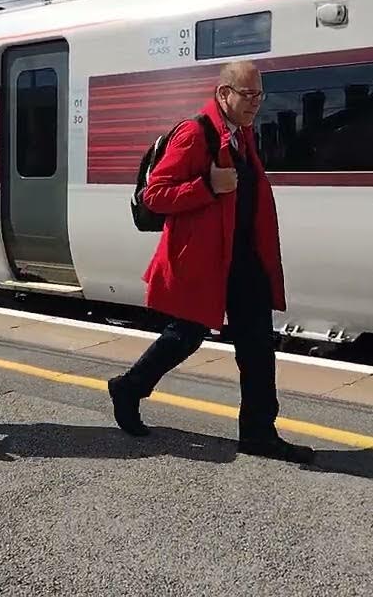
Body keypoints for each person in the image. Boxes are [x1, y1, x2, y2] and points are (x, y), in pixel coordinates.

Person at [107, 61, 314, 464]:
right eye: (248, 95)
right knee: (185, 335)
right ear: (224, 94)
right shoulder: (195, 132)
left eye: (260, 95)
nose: (256, 103)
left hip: (242, 259)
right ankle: (129, 387)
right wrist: (206, 187)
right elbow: (155, 196)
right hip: (205, 260)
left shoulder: (242, 135)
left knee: (257, 346)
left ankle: (258, 432)